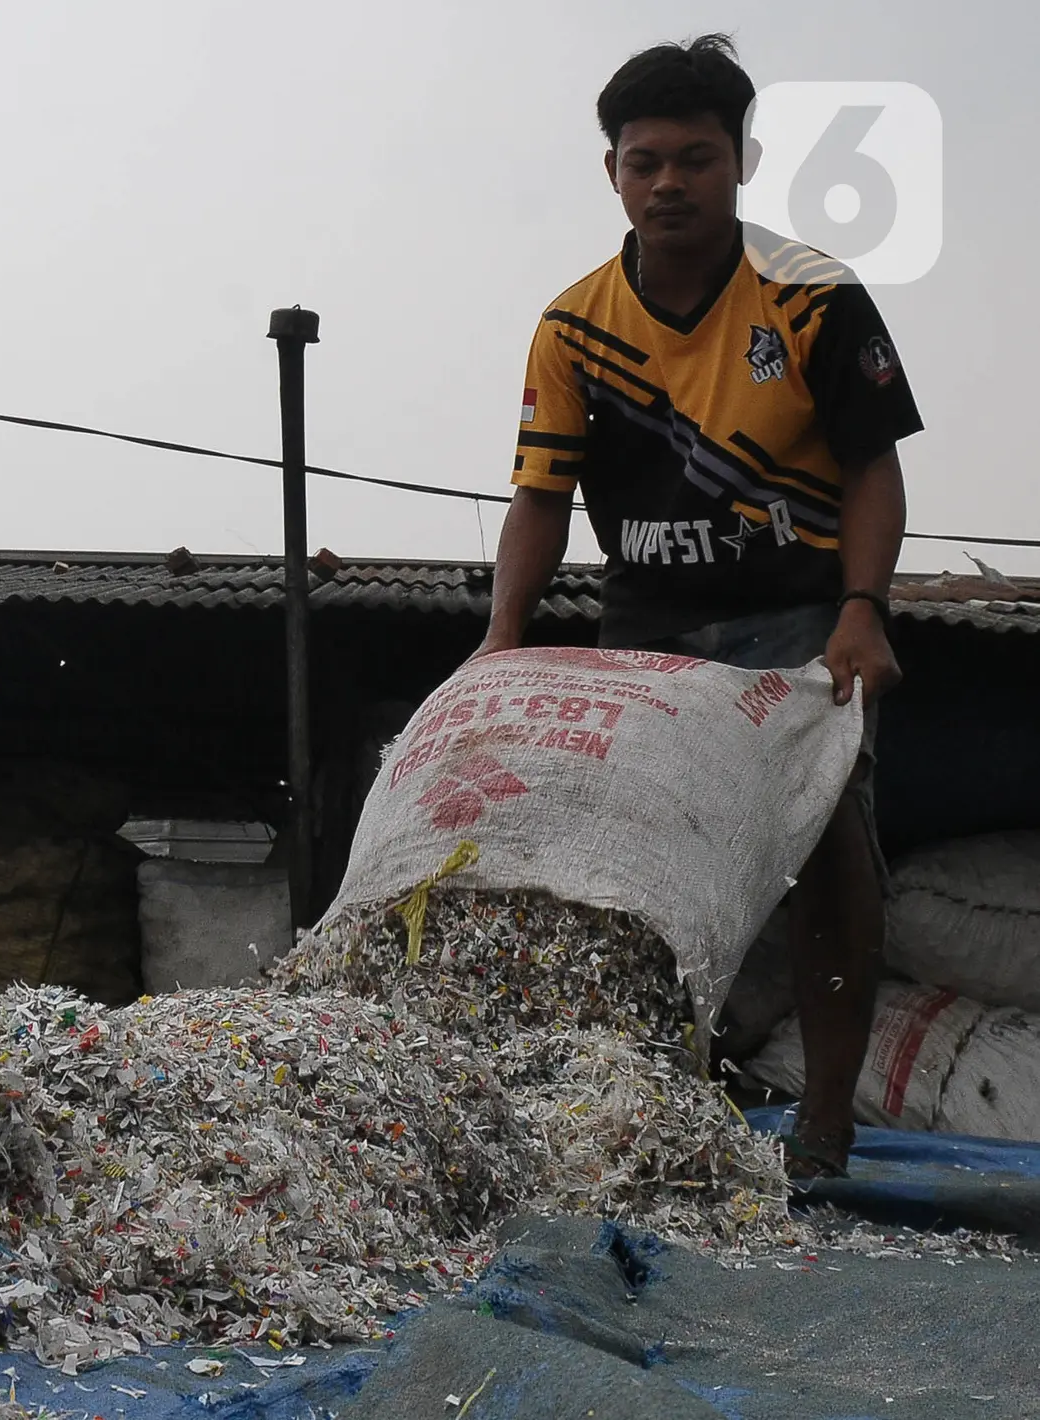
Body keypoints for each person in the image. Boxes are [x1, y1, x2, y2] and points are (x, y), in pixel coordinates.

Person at [475, 36, 922, 1179]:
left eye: (693, 158)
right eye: (641, 162)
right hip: (648, 640)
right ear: (611, 175)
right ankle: (638, 1119)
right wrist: (500, 638)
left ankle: (824, 1123)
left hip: (797, 624)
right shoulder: (572, 325)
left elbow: (873, 469)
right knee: (626, 879)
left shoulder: (812, 296)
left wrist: (861, 608)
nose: (666, 181)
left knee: (828, 853)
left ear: (738, 164)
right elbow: (539, 495)